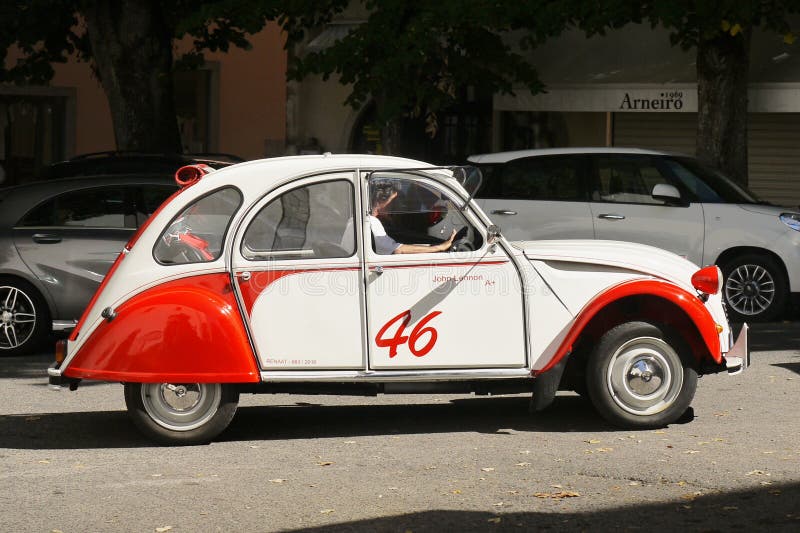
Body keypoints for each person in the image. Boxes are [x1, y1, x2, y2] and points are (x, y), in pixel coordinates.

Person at [369, 180, 456, 254]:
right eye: (393, 201)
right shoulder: (372, 222)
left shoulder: (381, 221)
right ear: (380, 201)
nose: (398, 205)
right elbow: (398, 249)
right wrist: (440, 247)